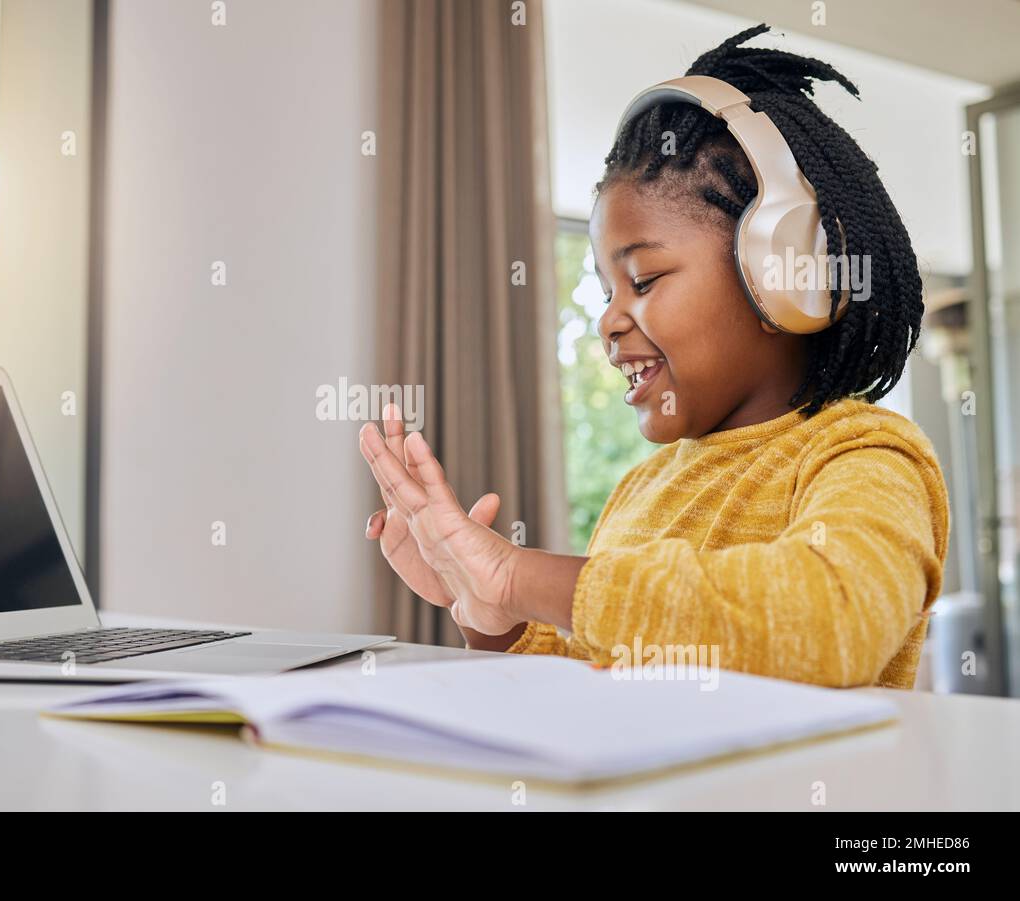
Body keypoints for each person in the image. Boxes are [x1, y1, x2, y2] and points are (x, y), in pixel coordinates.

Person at [358, 25, 949, 689]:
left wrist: (516, 574)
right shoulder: (638, 492)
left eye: (643, 280)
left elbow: (831, 621)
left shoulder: (866, 456)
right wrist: (493, 615)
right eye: (606, 292)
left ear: (785, 271)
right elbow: (596, 686)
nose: (609, 320)